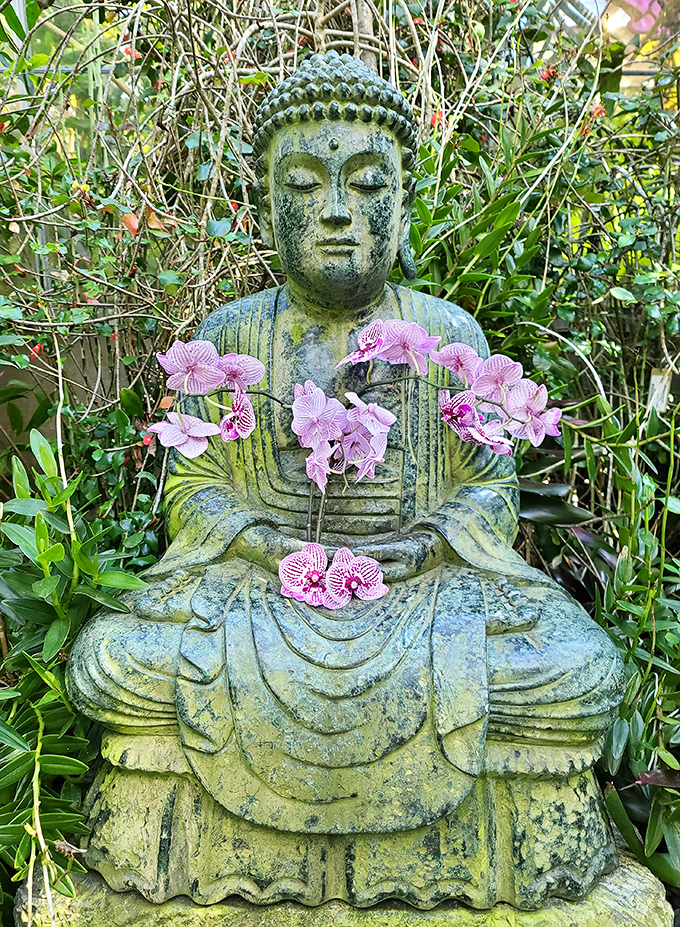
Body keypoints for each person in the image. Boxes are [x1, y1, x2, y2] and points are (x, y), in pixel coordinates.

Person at [67, 52, 625, 911]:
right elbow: (195, 485)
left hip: (420, 596)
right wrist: (263, 543)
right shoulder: (232, 334)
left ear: (402, 201)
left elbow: (490, 488)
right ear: (267, 202)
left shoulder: (444, 332)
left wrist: (427, 544)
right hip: (260, 594)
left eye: (367, 184)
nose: (336, 209)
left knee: (578, 669)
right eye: (304, 183)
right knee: (111, 662)